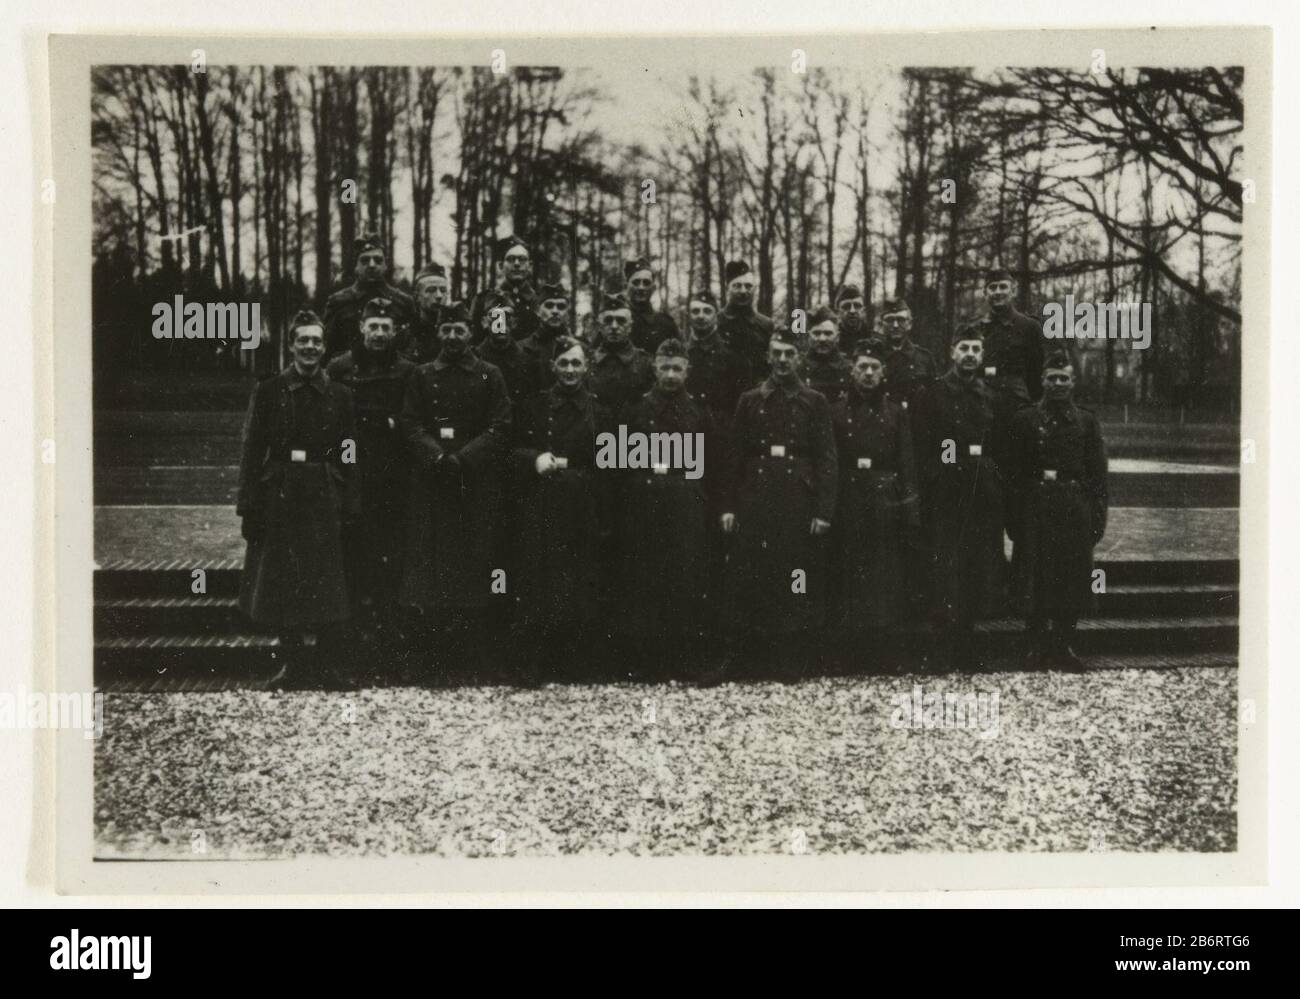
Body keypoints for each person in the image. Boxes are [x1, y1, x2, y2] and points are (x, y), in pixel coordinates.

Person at [237, 309, 359, 689]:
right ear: (291, 346)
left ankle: (326, 665)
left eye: (316, 341)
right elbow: (252, 449)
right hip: (280, 493)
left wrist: (349, 494)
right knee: (281, 579)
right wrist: (249, 505)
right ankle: (291, 664)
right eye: (303, 340)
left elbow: (349, 448)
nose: (310, 347)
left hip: (324, 492)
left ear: (325, 348)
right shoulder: (269, 391)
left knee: (327, 579)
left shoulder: (341, 395)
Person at [714, 324, 838, 684]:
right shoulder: (749, 400)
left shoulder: (815, 402)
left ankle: (792, 658)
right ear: (768, 357)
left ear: (799, 357)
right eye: (777, 354)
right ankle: (745, 658)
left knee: (796, 577)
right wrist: (728, 506)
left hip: (798, 500)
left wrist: (823, 510)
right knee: (751, 574)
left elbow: (827, 458)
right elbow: (733, 458)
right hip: (755, 498)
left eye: (789, 354)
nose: (783, 361)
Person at [399, 300, 513, 679]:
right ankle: (434, 660)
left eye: (459, 330)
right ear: (437, 333)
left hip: (474, 485)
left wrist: (464, 458)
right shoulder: (421, 374)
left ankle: (472, 659)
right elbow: (411, 424)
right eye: (446, 330)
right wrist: (436, 457)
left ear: (471, 332)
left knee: (474, 569)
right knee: (433, 572)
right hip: (433, 486)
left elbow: (500, 426)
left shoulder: (489, 374)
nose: (452, 337)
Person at [509, 337, 612, 685]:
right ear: (553, 367)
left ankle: (576, 665)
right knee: (538, 582)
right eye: (563, 363)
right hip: (541, 505)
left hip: (583, 506)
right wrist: (533, 459)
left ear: (586, 368)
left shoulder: (601, 412)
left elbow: (612, 467)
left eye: (576, 363)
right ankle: (532, 664)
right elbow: (510, 451)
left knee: (580, 581)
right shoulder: (533, 407)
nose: (570, 370)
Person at [614, 338, 717, 681]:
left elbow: (713, 463)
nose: (670, 375)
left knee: (684, 579)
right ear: (654, 369)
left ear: (687, 371)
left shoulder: (700, 411)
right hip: (643, 502)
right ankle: (645, 662)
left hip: (685, 502)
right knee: (645, 579)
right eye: (664, 368)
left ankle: (684, 659)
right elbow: (617, 461)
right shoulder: (635, 409)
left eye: (677, 368)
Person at [326, 299, 417, 664]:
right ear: (361, 328)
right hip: (353, 474)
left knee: (392, 564)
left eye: (385, 327)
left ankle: (392, 649)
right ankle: (353, 651)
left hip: (394, 479)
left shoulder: (410, 371)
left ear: (395, 332)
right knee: (353, 561)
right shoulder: (340, 368)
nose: (379, 334)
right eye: (373, 326)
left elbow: (414, 420)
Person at [1006, 351, 1109, 671]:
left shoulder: (1087, 421)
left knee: (1071, 579)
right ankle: (1034, 646)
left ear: (1073, 382)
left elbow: (1098, 475)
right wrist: (1014, 519)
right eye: (1052, 378)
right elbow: (1014, 473)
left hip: (1072, 509)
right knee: (1034, 579)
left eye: (1064, 378)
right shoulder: (1025, 420)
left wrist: (1097, 518)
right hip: (1035, 509)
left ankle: (1064, 645)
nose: (1058, 384)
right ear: (1042, 381)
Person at [911, 327, 1006, 671]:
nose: (969, 354)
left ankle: (967, 646)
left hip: (982, 496)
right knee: (944, 570)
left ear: (982, 355)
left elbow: (1000, 445)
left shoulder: (991, 395)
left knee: (975, 569)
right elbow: (924, 444)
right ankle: (940, 648)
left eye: (975, 349)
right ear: (952, 352)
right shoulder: (933, 393)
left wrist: (989, 474)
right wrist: (943, 474)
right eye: (963, 348)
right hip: (946, 495)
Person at [830, 338, 920, 663]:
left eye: (874, 368)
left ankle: (882, 650)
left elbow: (907, 463)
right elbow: (830, 462)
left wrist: (910, 512)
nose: (868, 373)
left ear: (883, 373)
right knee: (849, 573)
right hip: (848, 498)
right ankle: (849, 649)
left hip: (884, 500)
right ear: (851, 372)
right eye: (862, 367)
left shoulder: (896, 413)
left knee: (884, 576)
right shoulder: (835, 412)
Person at [322, 232, 415, 360]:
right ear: (356, 266)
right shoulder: (339, 302)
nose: (372, 265)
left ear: (385, 265)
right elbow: (328, 349)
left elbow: (410, 348)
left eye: (378, 260)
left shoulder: (403, 302)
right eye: (365, 260)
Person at [588, 290, 654, 415]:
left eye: (621, 321)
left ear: (630, 326)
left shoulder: (646, 363)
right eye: (608, 320)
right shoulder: (587, 362)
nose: (614, 326)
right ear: (599, 326)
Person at [470, 234, 539, 341]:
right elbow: (473, 340)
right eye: (510, 259)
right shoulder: (483, 300)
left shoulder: (539, 301)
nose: (516, 264)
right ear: (501, 265)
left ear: (530, 265)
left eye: (522, 259)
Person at [474, 292, 535, 405]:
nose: (500, 323)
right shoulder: (474, 359)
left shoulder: (528, 361)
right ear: (484, 322)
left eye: (506, 317)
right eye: (495, 317)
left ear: (514, 323)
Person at [718, 260, 775, 379]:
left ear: (755, 289)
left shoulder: (766, 324)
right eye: (737, 286)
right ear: (727, 288)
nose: (743, 291)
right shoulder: (715, 322)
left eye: (748, 286)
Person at [877, 296, 936, 411]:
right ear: (881, 324)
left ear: (910, 324)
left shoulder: (924, 358)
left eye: (901, 320)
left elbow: (933, 399)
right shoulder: (875, 357)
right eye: (889, 320)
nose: (895, 325)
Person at [518, 279, 572, 395]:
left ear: (567, 313)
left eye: (561, 307)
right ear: (537, 310)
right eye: (549, 305)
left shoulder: (576, 348)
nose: (555, 311)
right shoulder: (522, 349)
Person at [623, 257, 680, 353]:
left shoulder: (666, 324)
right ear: (626, 286)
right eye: (636, 282)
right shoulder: (615, 320)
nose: (641, 288)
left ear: (653, 288)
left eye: (646, 283)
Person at [801, 304, 854, 405]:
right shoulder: (798, 368)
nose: (822, 339)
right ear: (809, 337)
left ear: (837, 337)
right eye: (816, 333)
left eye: (828, 333)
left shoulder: (849, 370)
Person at [401, 262, 451, 364]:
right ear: (417, 297)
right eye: (431, 290)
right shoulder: (405, 337)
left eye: (443, 290)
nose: (439, 296)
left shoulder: (455, 333)